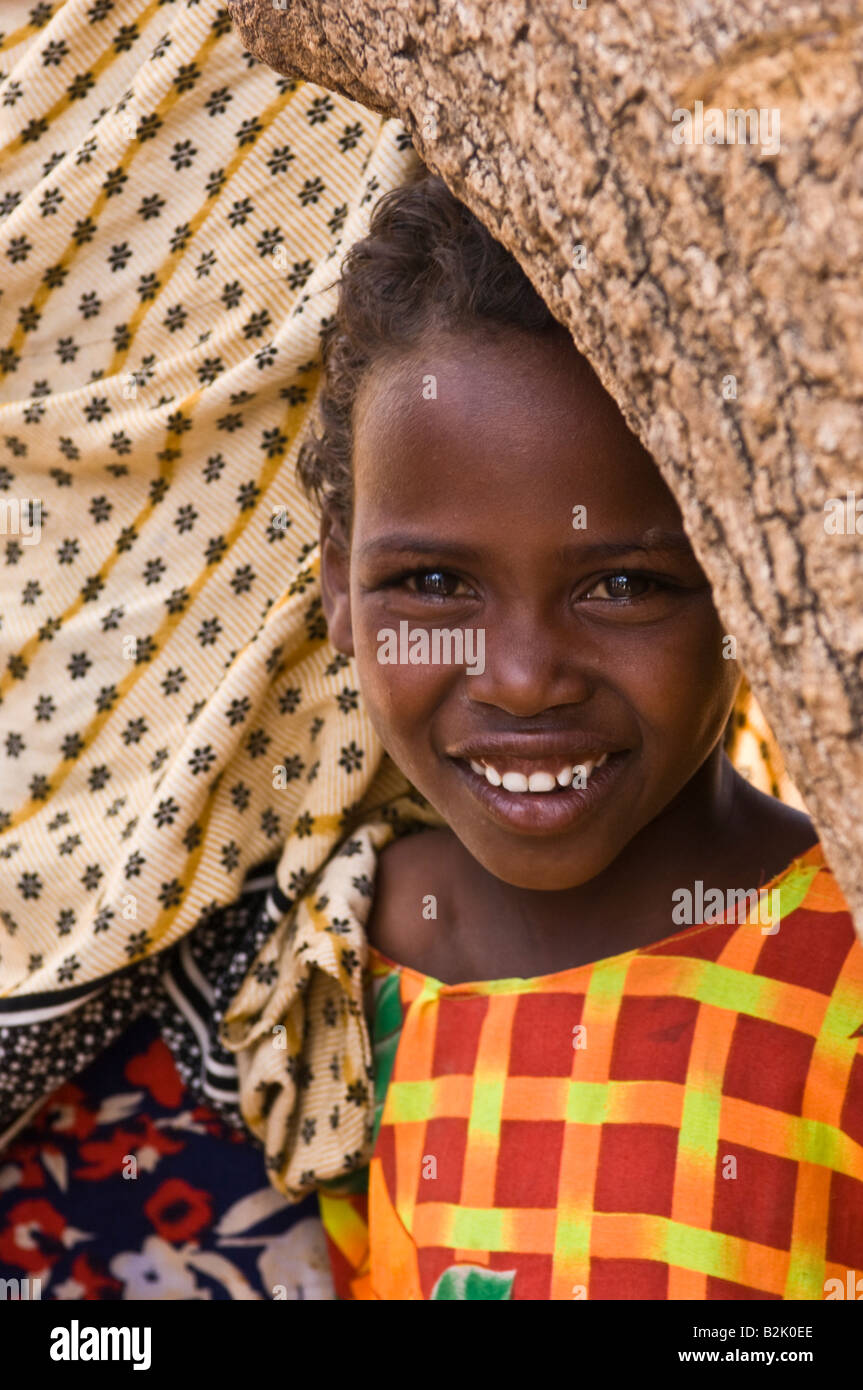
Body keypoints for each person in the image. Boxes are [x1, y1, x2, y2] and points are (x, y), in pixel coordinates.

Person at [291, 166, 863, 1299]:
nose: (519, 678)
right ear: (339, 592)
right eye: (435, 581)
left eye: (622, 584)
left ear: (752, 579)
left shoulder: (839, 974)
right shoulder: (328, 971)